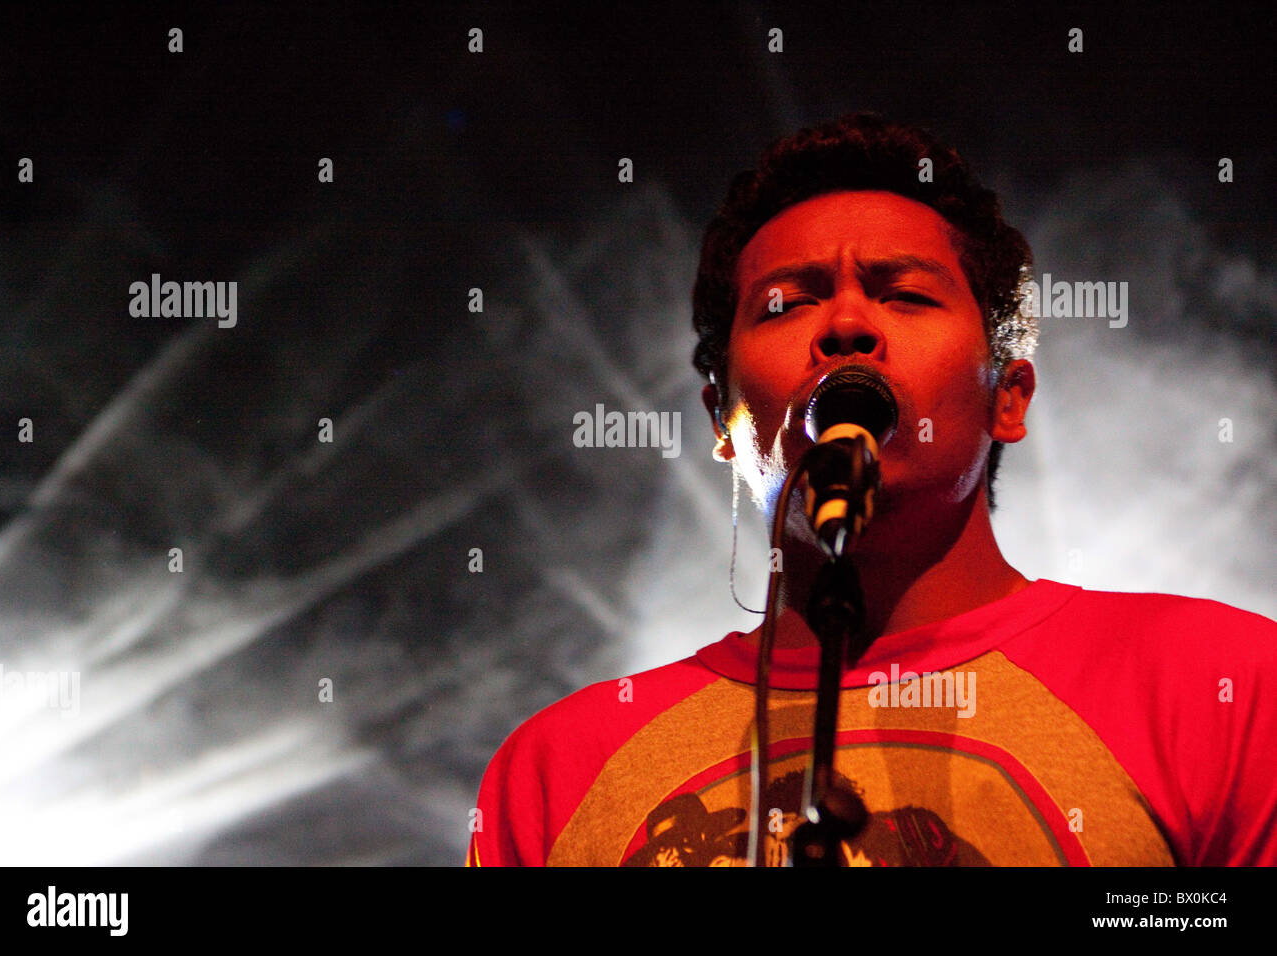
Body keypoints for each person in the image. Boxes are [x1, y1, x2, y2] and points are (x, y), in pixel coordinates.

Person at [466, 113, 1277, 867]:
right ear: (725, 418)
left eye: (906, 294)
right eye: (789, 303)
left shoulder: (1225, 688)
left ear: (1009, 395)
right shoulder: (554, 771)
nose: (846, 323)